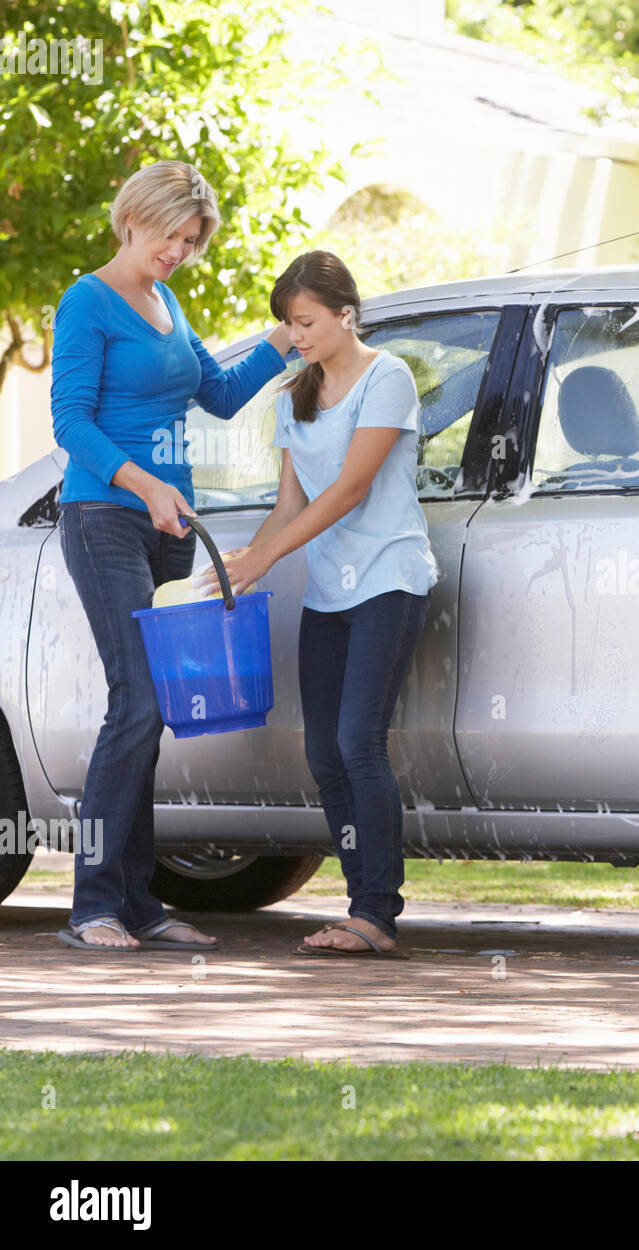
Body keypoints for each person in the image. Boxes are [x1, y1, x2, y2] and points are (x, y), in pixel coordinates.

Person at [50, 160, 292, 951]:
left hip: (167, 525)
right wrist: (147, 485)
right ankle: (93, 905)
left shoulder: (167, 303)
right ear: (134, 217)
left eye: (191, 242)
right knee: (138, 702)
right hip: (106, 516)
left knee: (152, 715)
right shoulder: (87, 303)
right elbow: (71, 423)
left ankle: (140, 903)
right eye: (171, 236)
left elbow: (216, 393)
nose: (180, 251)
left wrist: (280, 343)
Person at [196, 251, 437, 957]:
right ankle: (360, 906)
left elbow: (351, 490)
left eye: (305, 320)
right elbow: (291, 505)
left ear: (344, 314)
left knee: (359, 742)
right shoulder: (290, 399)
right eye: (287, 323)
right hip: (330, 591)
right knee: (323, 750)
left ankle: (376, 913)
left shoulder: (386, 377)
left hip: (388, 579)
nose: (294, 335)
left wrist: (269, 557)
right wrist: (239, 563)